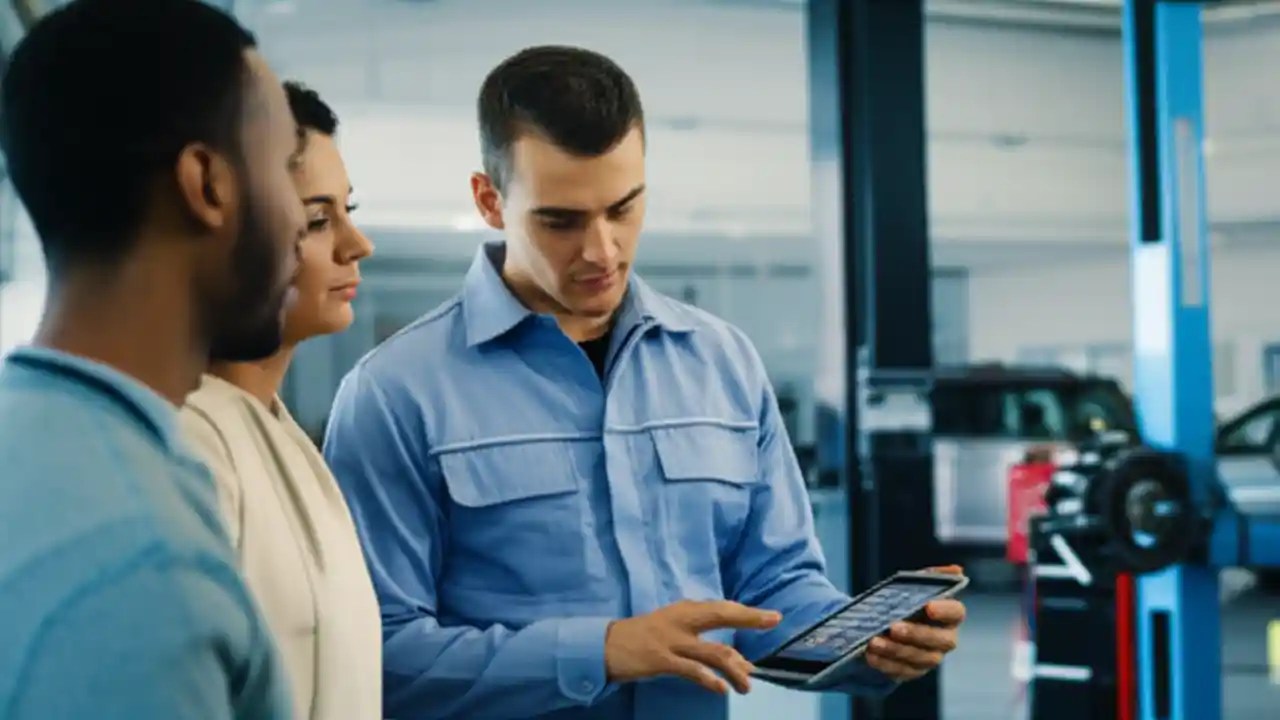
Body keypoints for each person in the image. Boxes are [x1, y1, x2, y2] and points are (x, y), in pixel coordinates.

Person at [323, 45, 967, 720]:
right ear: (490, 200)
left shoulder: (723, 363)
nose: (602, 251)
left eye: (623, 207)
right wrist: (598, 651)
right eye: (561, 220)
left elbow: (776, 584)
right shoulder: (394, 394)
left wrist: (866, 644)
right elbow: (375, 656)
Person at [0, 1, 305, 718]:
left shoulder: (31, 439)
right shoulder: (137, 559)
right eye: (285, 165)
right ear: (207, 184)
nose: (300, 216)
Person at [179, 81, 380, 720]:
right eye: (318, 220)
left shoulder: (278, 431)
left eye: (348, 210)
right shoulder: (189, 441)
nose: (356, 244)